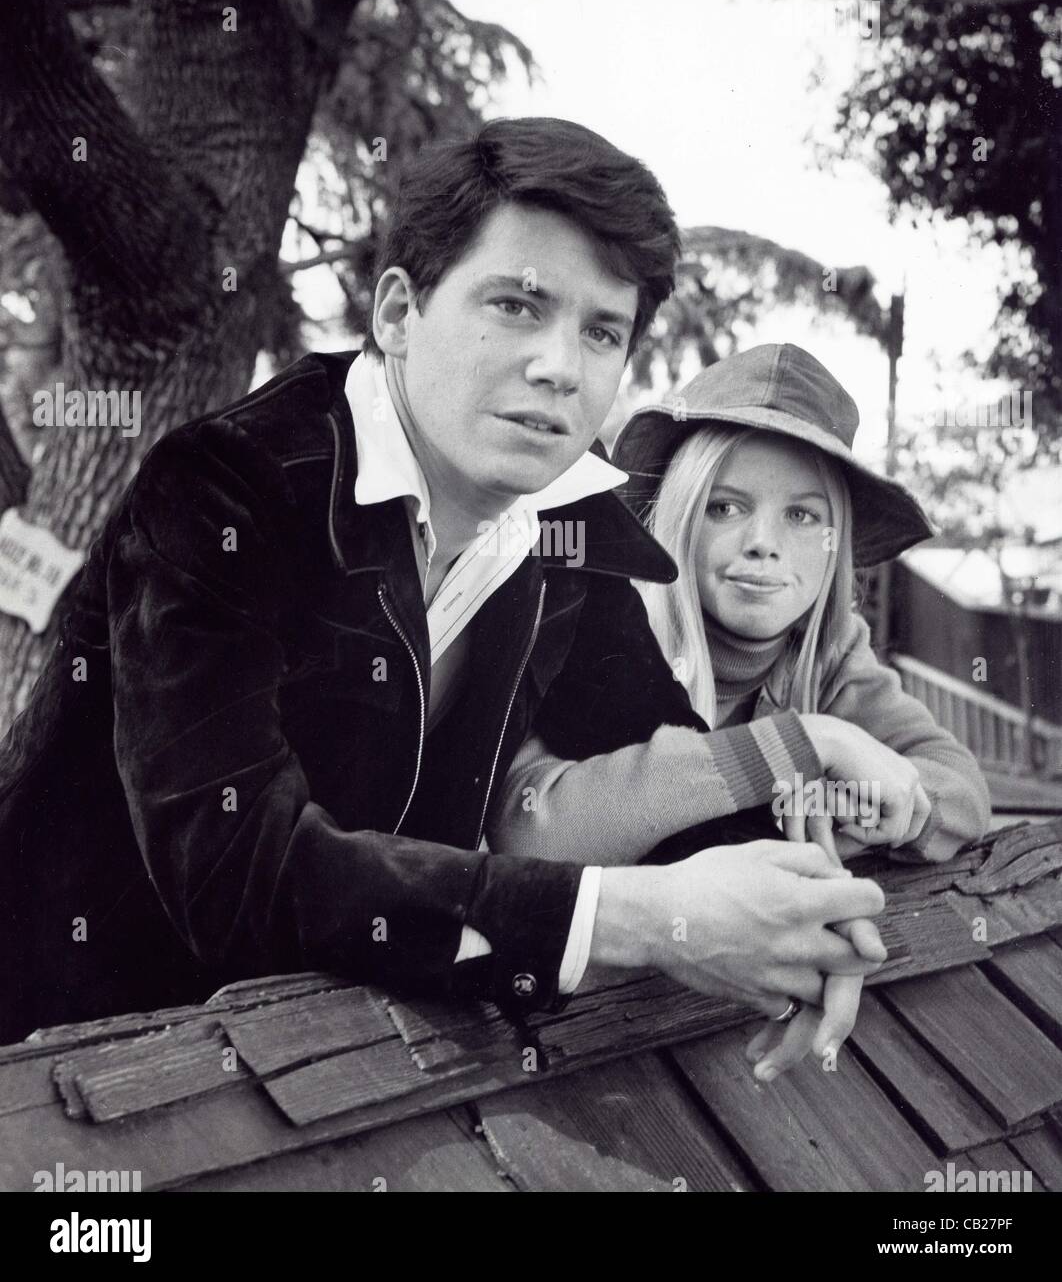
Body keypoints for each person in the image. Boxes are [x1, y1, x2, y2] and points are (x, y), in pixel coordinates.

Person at [0, 121, 890, 1046]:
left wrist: (806, 922)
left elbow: (661, 750)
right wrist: (640, 919)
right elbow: (236, 877)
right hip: (75, 1057)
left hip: (356, 1055)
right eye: (515, 305)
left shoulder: (568, 525)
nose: (559, 367)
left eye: (601, 331)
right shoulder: (226, 489)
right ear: (396, 314)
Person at [490, 343, 992, 1077]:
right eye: (726, 507)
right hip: (555, 1035)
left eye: (801, 515)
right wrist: (796, 747)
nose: (763, 544)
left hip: (727, 1039)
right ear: (680, 514)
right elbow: (530, 831)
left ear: (836, 546)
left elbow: (961, 791)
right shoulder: (597, 626)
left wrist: (869, 808)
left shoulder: (832, 656)